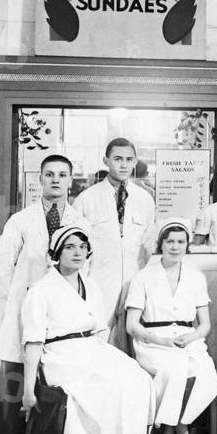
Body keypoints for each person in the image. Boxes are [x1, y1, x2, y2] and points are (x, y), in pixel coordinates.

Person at [19, 226, 155, 434]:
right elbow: (33, 343)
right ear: (56, 253)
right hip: (59, 356)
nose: (78, 252)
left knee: (135, 376)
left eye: (82, 247)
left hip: (90, 348)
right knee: (100, 383)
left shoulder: (91, 286)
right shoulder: (40, 291)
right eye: (70, 247)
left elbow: (100, 329)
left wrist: (103, 356)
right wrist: (28, 391)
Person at [0, 154, 91, 434]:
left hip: (60, 315)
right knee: (14, 378)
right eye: (49, 174)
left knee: (51, 377)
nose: (55, 180)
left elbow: (84, 270)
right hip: (24, 309)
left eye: (62, 174)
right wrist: (21, 304)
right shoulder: (21, 221)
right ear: (40, 179)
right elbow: (3, 269)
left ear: (70, 180)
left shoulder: (80, 222)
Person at [125, 219, 217, 434]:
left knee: (204, 369)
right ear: (161, 244)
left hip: (188, 341)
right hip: (152, 343)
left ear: (187, 245)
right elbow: (131, 325)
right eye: (170, 242)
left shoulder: (196, 277)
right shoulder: (143, 278)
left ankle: (172, 427)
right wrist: (160, 340)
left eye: (180, 242)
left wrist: (192, 336)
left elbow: (205, 324)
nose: (175, 247)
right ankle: (181, 430)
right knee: (174, 369)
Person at [72, 137, 156, 338]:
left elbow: (148, 247)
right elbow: (75, 247)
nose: (124, 165)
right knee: (98, 337)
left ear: (135, 162)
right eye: (118, 159)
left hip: (134, 282)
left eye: (129, 159)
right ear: (106, 161)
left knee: (132, 341)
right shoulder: (87, 199)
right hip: (98, 282)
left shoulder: (145, 199)